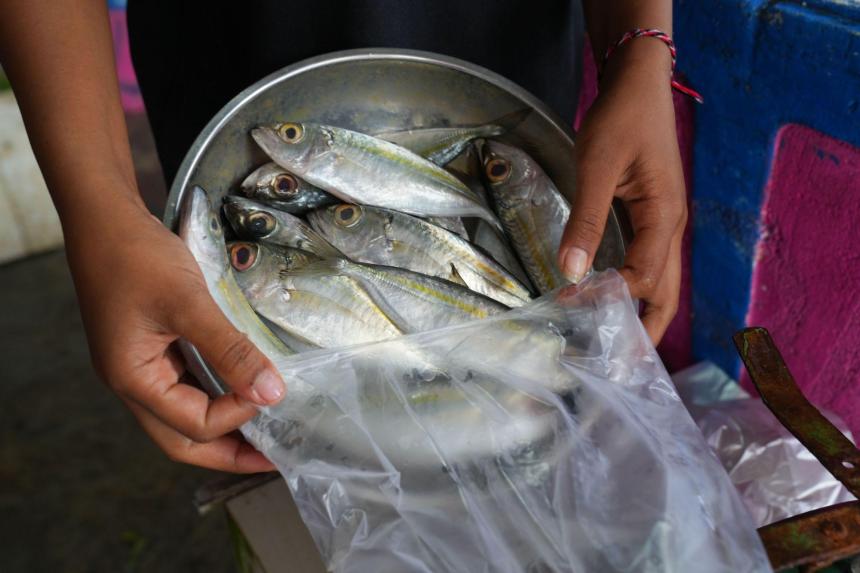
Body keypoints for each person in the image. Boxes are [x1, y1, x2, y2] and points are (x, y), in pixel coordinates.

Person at [0, 1, 686, 473]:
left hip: (505, 54)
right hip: (225, 65)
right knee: (286, 439)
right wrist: (99, 210)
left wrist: (640, 46)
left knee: (513, 450)